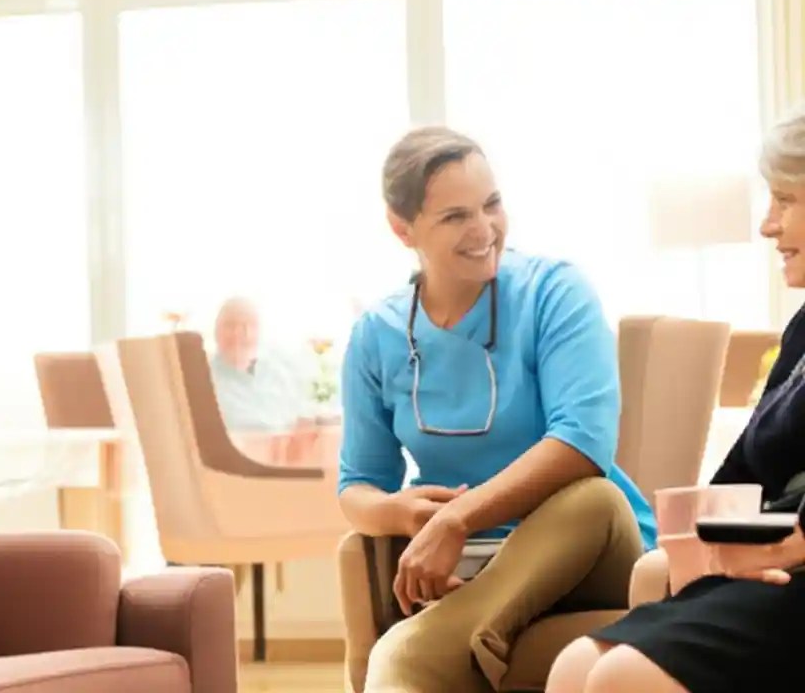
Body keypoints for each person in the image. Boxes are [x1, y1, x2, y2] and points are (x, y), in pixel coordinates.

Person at [337, 126, 657, 692]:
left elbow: (584, 443)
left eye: (492, 204)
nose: (485, 230)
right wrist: (405, 516)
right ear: (401, 227)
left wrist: (457, 518)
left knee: (595, 495)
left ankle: (424, 655)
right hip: (466, 565)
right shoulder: (375, 336)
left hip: (589, 550)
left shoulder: (554, 291)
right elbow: (358, 486)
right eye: (455, 216)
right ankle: (467, 644)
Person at [547, 108, 805, 693]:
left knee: (622, 676)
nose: (767, 225)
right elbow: (743, 470)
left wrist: (791, 540)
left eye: (785, 200)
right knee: (573, 667)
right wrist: (710, 532)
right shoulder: (803, 331)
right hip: (771, 567)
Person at [210, 296, 314, 432]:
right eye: (231, 325)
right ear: (216, 331)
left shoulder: (282, 374)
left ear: (259, 331)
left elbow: (305, 417)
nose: (239, 333)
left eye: (248, 325)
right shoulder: (202, 380)